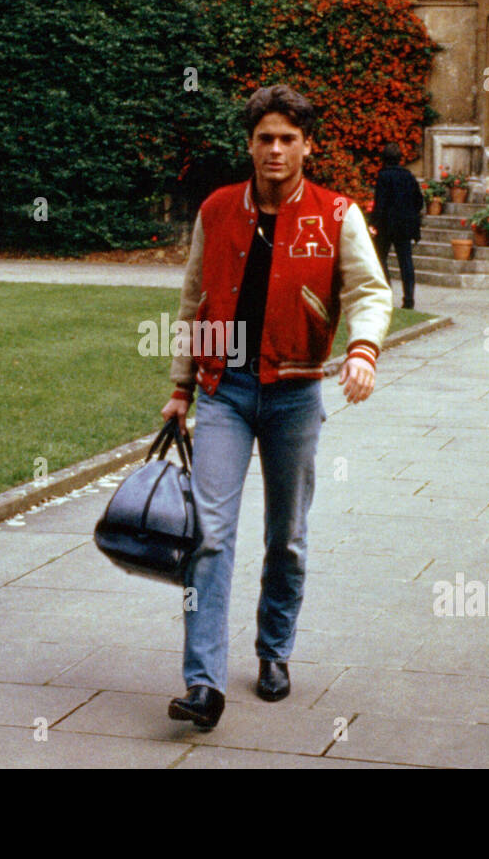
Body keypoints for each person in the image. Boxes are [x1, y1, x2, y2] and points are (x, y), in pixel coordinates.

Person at [160, 84, 392, 729]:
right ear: (250, 144)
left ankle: (274, 650)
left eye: (288, 138)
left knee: (285, 537)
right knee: (209, 536)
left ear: (307, 146)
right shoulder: (216, 210)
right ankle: (203, 684)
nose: (275, 149)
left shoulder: (335, 213)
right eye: (265, 137)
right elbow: (194, 304)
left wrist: (364, 349)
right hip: (224, 393)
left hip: (295, 392)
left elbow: (370, 291)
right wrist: (182, 387)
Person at [369, 142, 423, 309]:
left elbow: (380, 203)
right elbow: (419, 201)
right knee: (406, 261)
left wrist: (373, 223)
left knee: (380, 259)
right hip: (404, 225)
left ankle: (386, 294)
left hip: (386, 225)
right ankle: (409, 300)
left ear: (384, 159)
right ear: (400, 158)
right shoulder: (409, 176)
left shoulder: (384, 176)